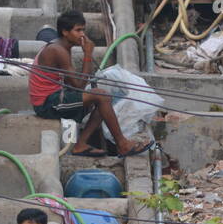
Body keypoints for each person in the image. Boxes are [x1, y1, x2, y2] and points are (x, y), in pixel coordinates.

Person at [30, 10, 151, 158]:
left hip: (57, 95)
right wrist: (87, 54)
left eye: (83, 30)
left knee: (102, 99)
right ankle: (123, 145)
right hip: (47, 103)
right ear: (65, 32)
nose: (82, 35)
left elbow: (77, 83)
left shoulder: (62, 47)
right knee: (101, 96)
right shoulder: (57, 50)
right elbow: (78, 86)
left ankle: (80, 145)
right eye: (78, 30)